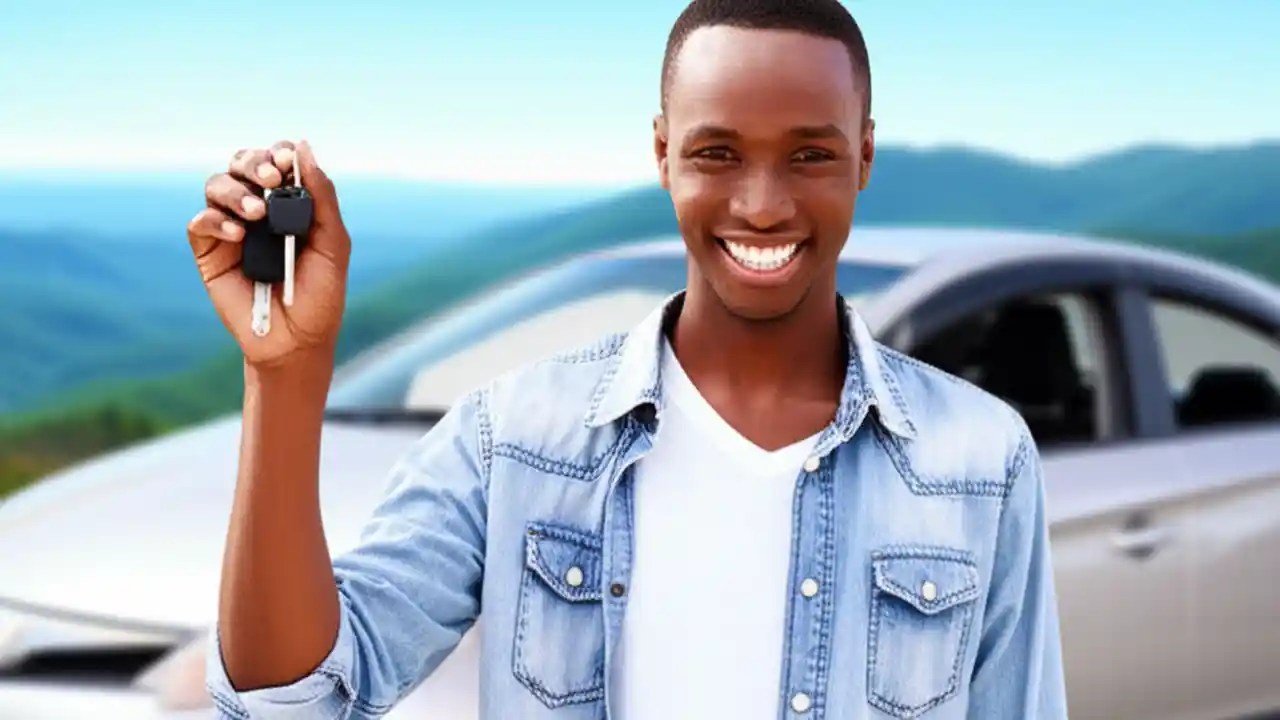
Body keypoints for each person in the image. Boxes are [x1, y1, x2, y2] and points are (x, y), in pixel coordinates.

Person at [190, 0, 1068, 717]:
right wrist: (284, 376)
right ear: (662, 153)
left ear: (864, 156)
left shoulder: (982, 463)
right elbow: (291, 702)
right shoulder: (514, 442)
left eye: (810, 155)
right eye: (717, 153)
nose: (762, 206)